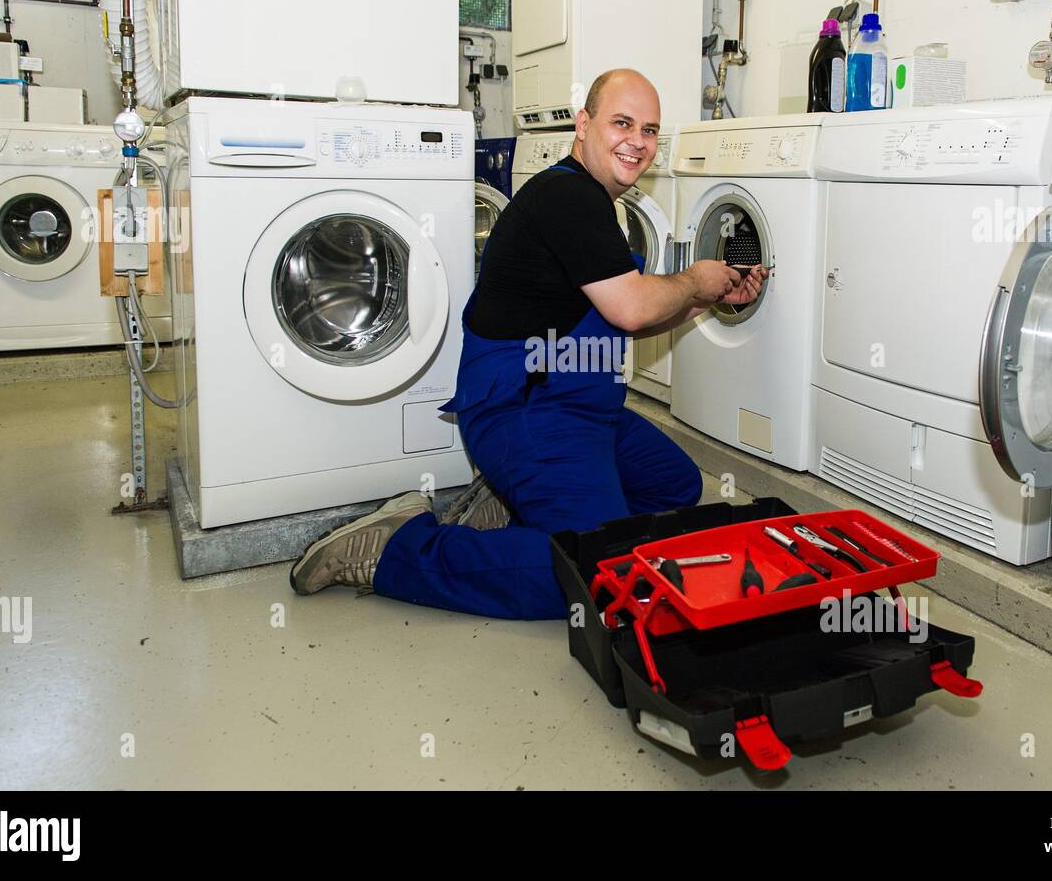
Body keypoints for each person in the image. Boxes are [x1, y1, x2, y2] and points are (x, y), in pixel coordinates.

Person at [289, 69, 767, 618]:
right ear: (584, 124)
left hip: (582, 408)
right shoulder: (569, 198)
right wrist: (698, 280)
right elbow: (631, 306)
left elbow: (626, 320)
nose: (638, 140)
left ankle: (517, 512)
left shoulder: (592, 202)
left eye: (651, 129)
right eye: (622, 123)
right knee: (598, 571)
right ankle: (393, 549)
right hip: (524, 409)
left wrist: (709, 295)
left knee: (675, 487)